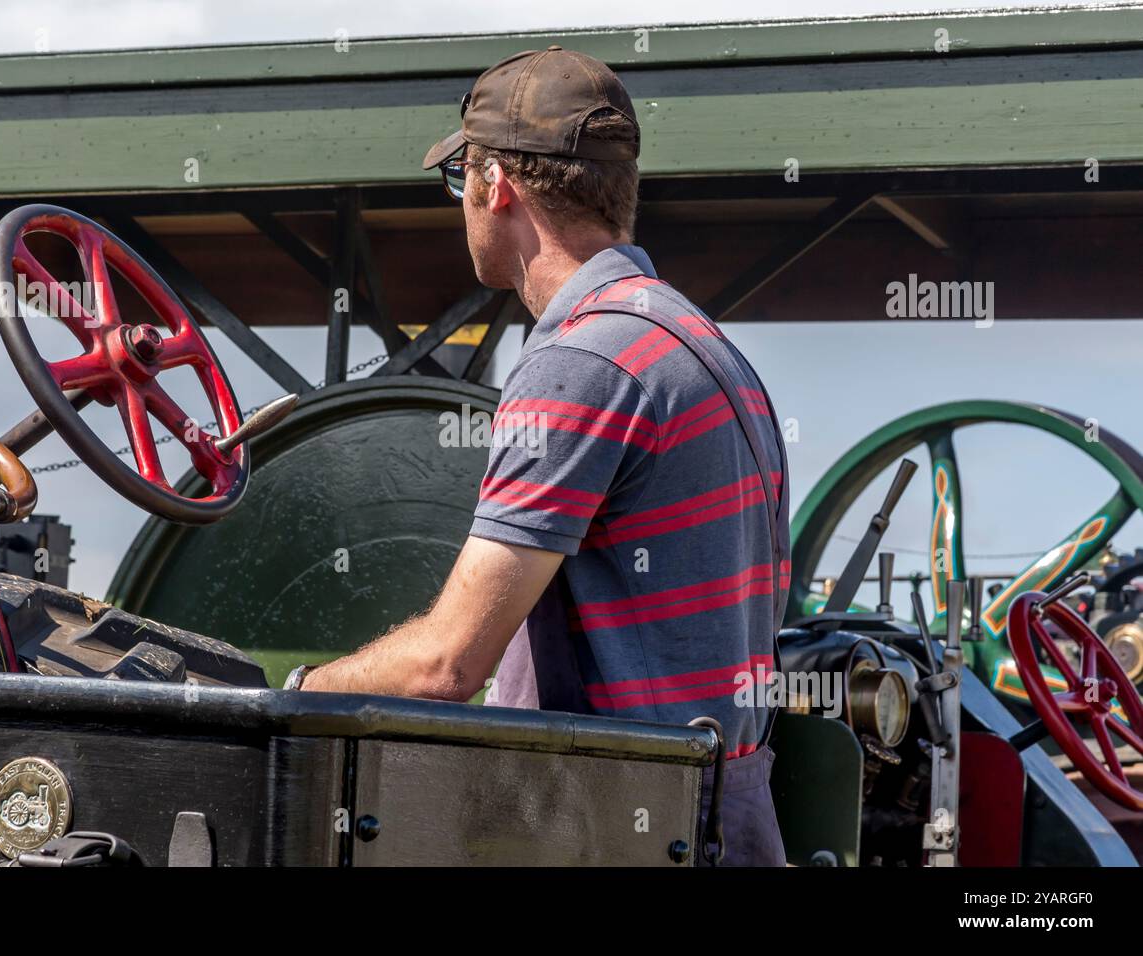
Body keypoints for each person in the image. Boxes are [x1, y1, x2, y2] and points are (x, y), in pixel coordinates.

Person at [285, 46, 790, 866]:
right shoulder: (700, 345)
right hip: (715, 819)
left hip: (615, 831)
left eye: (461, 182)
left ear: (496, 187)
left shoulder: (583, 363)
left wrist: (292, 698)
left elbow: (448, 665)